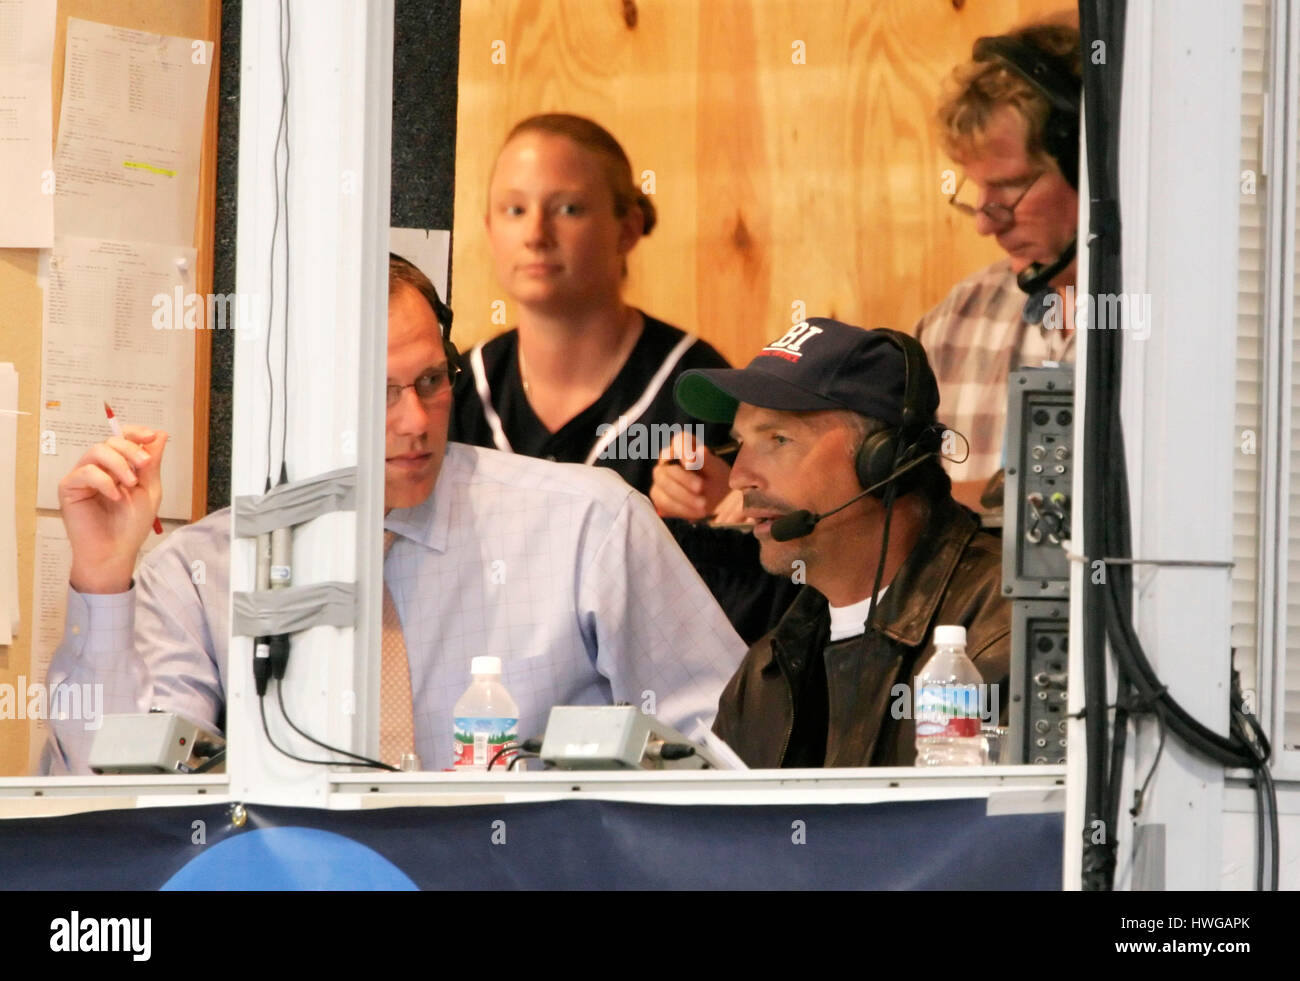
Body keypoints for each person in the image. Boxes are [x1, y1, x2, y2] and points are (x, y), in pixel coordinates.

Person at [41, 255, 746, 774]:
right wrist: (103, 578)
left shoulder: (589, 527)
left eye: (432, 380)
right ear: (295, 399)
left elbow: (728, 754)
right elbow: (118, 799)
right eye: (377, 392)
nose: (416, 421)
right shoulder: (203, 572)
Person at [451, 112, 797, 642]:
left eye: (568, 209)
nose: (536, 235)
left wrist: (720, 515)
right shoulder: (457, 387)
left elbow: (756, 607)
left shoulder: (694, 385)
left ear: (628, 227)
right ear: (489, 228)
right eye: (514, 209)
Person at [672, 318, 1010, 767]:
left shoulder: (1008, 632)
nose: (738, 478)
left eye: (778, 439)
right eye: (740, 444)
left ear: (885, 461)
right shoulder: (768, 671)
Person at [914, 13, 1081, 511]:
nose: (985, 223)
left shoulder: (1176, 329)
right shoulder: (954, 324)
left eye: (1010, 186)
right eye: (979, 189)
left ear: (1092, 166)